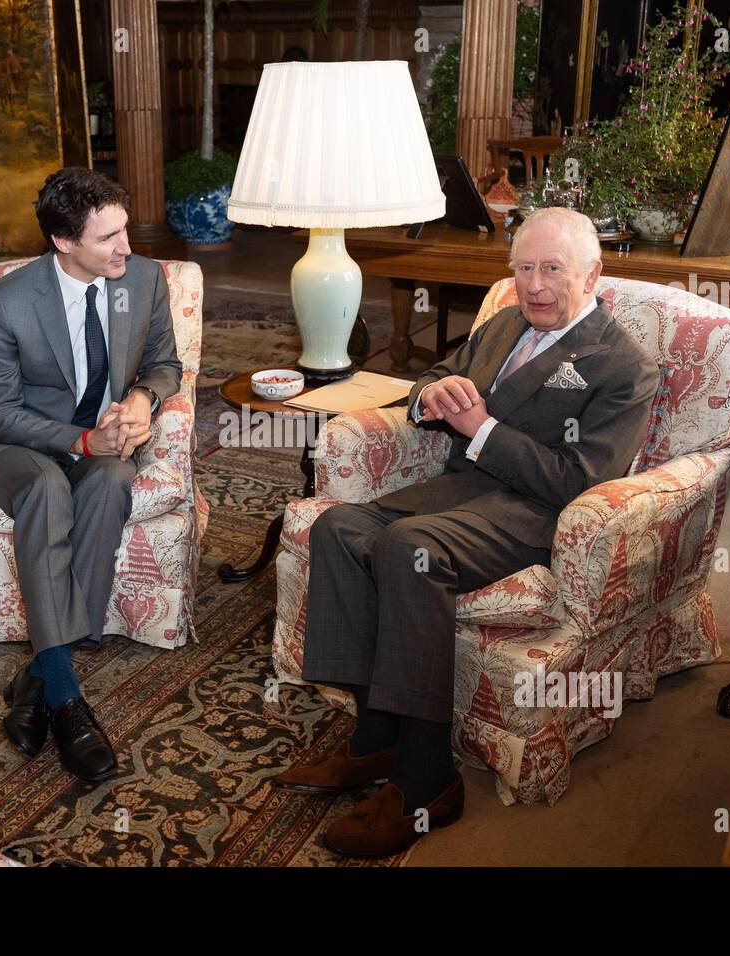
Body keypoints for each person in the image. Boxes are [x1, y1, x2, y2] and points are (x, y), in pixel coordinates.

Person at [275, 207, 659, 857]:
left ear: (593, 273)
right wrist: (433, 397)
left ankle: (427, 786)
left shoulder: (621, 365)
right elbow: (435, 377)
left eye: (553, 270)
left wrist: (480, 428)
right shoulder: (505, 321)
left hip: (534, 515)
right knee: (339, 527)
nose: (535, 284)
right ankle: (376, 744)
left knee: (407, 549)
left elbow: (577, 480)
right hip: (456, 495)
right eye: (524, 268)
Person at [0, 167, 182, 781]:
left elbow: (166, 363)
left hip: (105, 441)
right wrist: (82, 438)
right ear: (64, 242)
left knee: (114, 479)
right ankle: (66, 698)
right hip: (25, 444)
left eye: (124, 229)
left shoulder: (142, 279)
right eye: (108, 237)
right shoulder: (11, 300)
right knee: (47, 486)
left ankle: (37, 675)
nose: (126, 247)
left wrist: (142, 397)